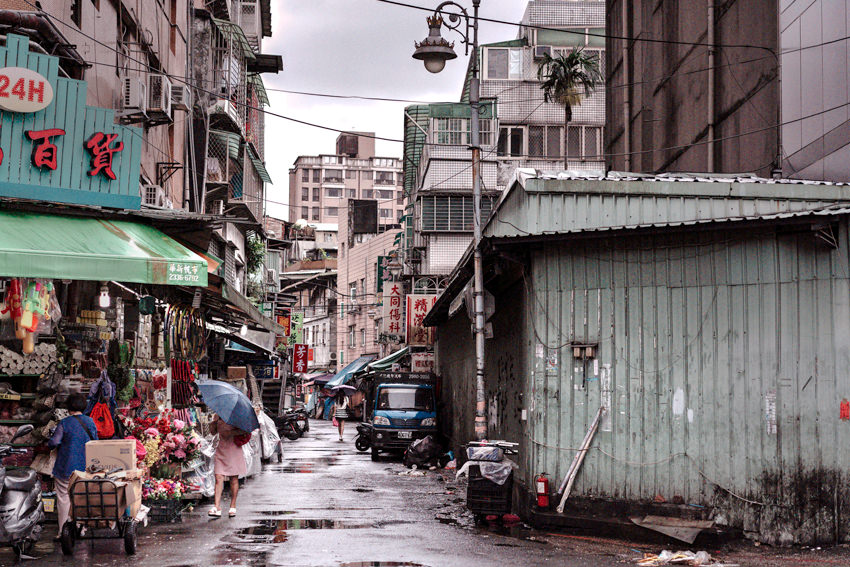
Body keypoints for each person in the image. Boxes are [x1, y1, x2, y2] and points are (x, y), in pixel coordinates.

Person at [48, 393, 98, 532]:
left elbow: (54, 442)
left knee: (64, 498)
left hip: (65, 467)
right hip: (85, 468)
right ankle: (81, 528)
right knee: (82, 497)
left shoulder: (64, 423)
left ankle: (63, 531)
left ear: (68, 407)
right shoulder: (90, 422)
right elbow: (95, 442)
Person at [208, 415, 247, 518]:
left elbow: (245, 431)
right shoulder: (218, 415)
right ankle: (216, 506)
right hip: (221, 449)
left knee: (233, 479)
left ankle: (233, 505)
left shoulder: (237, 416)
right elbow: (213, 432)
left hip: (234, 449)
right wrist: (213, 423)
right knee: (218, 477)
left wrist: (231, 432)